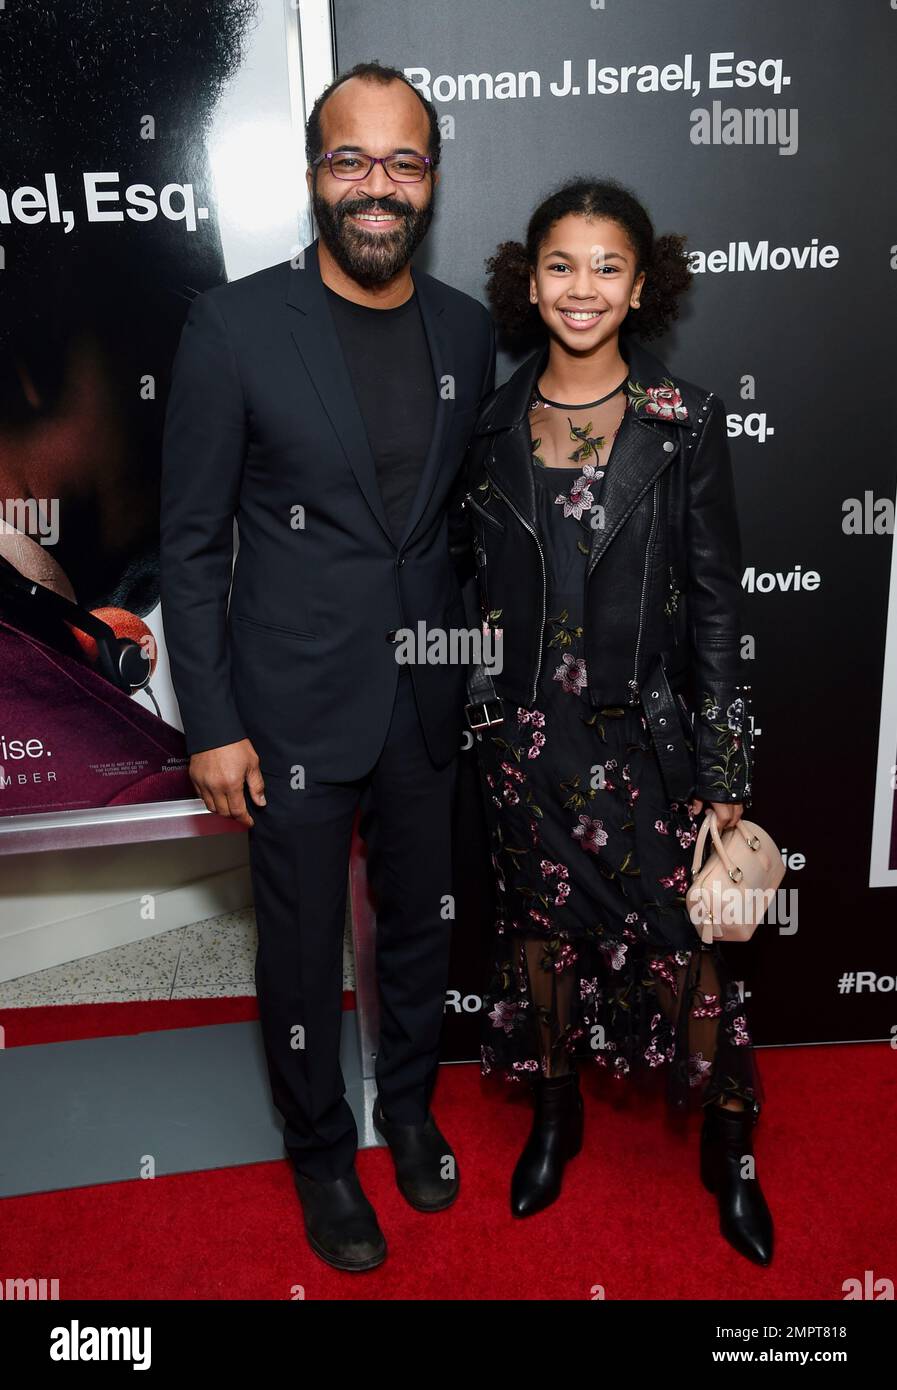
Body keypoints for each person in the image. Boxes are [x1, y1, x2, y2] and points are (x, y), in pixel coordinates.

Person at [160, 61, 495, 1272]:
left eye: (402, 162)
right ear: (313, 175)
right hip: (286, 707)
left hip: (425, 697)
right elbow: (191, 544)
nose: (377, 185)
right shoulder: (234, 325)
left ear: (430, 181)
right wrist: (211, 722)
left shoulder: (466, 327)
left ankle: (407, 1110)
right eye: (351, 159)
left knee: (418, 928)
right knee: (301, 949)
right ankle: (320, 1151)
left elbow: (457, 527)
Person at [459, 177, 772, 1265]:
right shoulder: (491, 423)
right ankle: (556, 1115)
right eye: (560, 264)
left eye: (606, 266)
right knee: (541, 944)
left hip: (644, 743)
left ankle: (729, 1151)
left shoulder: (683, 425)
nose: (580, 287)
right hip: (526, 746)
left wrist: (726, 764)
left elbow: (719, 602)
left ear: (640, 285)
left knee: (692, 959)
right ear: (528, 279)